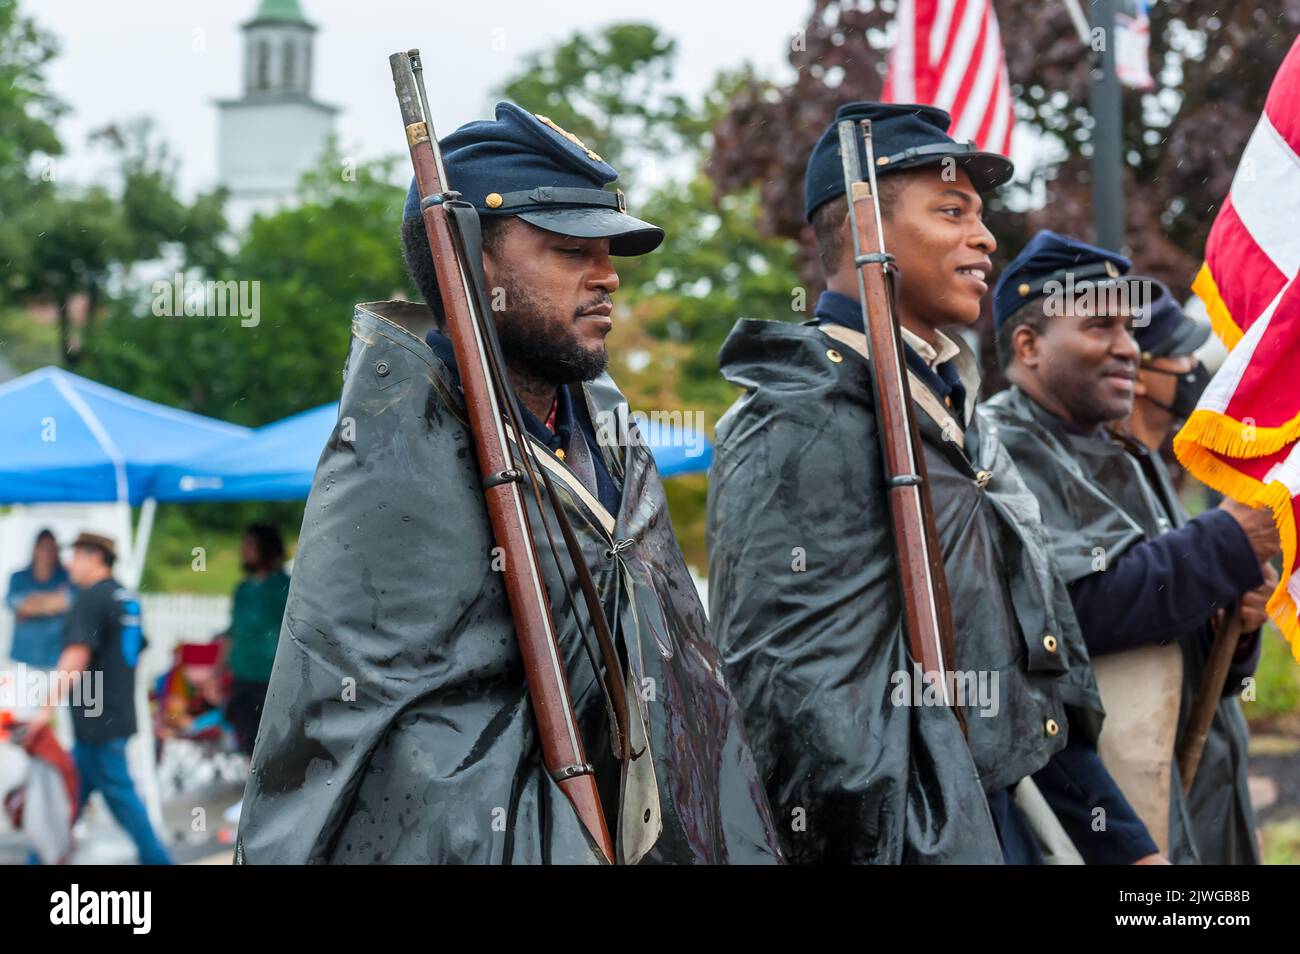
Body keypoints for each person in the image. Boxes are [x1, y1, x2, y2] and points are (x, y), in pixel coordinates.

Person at [235, 103, 782, 864]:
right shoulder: (395, 455)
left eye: (608, 251)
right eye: (569, 250)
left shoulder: (606, 431)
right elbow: (383, 759)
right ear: (469, 263)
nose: (607, 278)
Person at [708, 102, 1155, 864]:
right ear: (865, 225)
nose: (985, 239)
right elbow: (803, 720)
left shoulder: (950, 402)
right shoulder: (799, 417)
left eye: (981, 216)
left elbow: (1031, 677)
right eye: (952, 212)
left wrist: (1126, 846)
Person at [984, 232, 1280, 863]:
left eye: (1129, 327)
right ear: (1028, 345)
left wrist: (1239, 620)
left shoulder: (1126, 452)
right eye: (1100, 327)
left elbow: (1175, 632)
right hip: (1098, 831)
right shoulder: (998, 450)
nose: (1129, 348)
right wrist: (1225, 543)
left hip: (1192, 808)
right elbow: (1067, 614)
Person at [1117, 278, 1264, 864]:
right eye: (1181, 353)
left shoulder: (1156, 473)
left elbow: (1207, 659)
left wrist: (1243, 625)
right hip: (1152, 809)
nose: (1194, 368)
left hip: (1205, 798)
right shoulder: (1102, 474)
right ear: (1140, 371)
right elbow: (1103, 608)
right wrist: (1223, 544)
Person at [28, 532, 173, 866]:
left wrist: (44, 710)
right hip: (111, 718)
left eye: (76, 555)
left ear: (95, 557)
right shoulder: (127, 598)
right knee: (70, 800)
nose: (69, 564)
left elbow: (76, 657)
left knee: (125, 804)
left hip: (98, 723)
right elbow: (135, 649)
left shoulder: (92, 598)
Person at [216, 523, 290, 756]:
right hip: (243, 676)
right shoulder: (243, 590)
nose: (243, 551)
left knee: (274, 745)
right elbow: (233, 632)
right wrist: (218, 671)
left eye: (249, 545)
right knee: (248, 744)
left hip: (273, 678)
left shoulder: (285, 587)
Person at [6, 529, 72, 669]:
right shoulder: (18, 577)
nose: (47, 552)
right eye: (44, 547)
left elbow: (67, 602)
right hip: (22, 659)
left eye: (51, 548)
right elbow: (16, 604)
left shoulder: (67, 577)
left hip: (56, 660)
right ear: (35, 549)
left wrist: (33, 603)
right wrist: (52, 603)